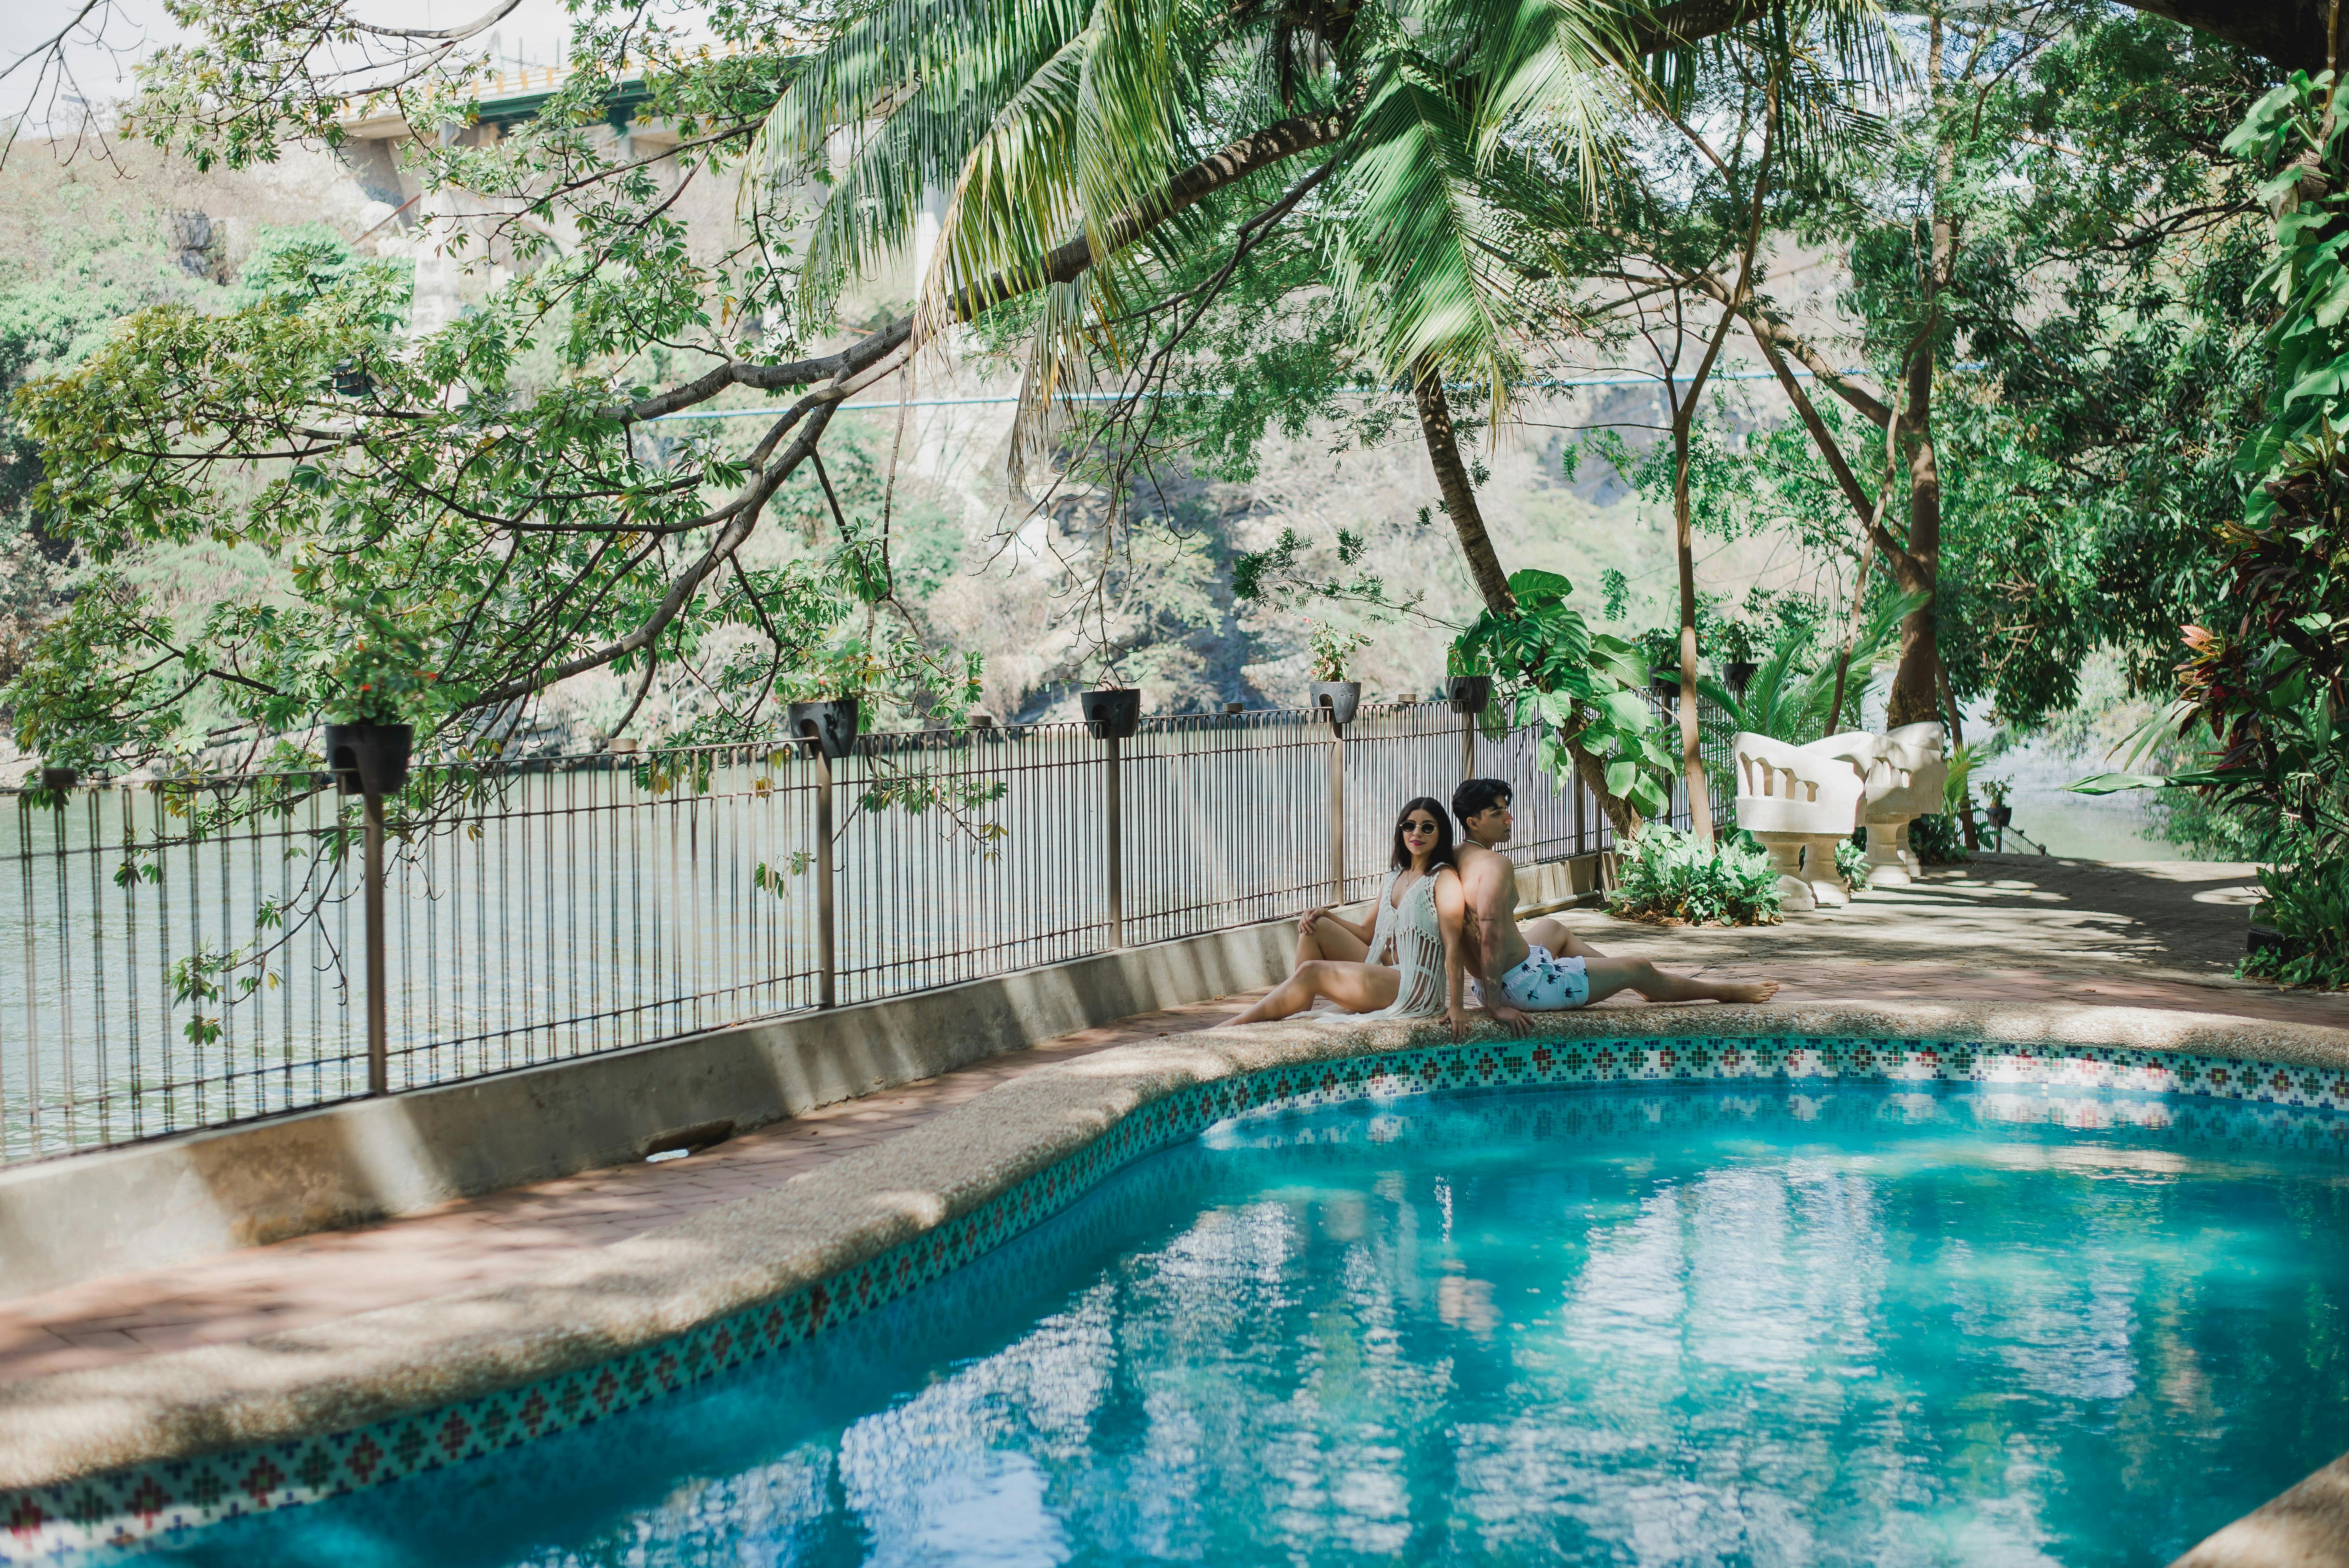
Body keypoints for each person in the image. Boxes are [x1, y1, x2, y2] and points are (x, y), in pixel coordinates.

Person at [1443, 777, 1779, 1039]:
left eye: (1506, 808)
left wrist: (1482, 997)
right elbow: (1488, 936)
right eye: (1497, 813)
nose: (1509, 818)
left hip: (1495, 983)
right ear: (1473, 822)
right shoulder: (1495, 865)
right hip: (1526, 986)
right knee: (1639, 965)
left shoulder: (1455, 856)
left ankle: (1630, 981)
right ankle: (1718, 991)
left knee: (1555, 930)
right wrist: (1497, 1007)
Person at [1220, 797, 1462, 1025]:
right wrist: (1327, 915)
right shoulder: (1395, 877)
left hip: (1415, 987)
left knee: (1311, 971)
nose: (1417, 833)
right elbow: (1368, 933)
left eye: (1427, 828)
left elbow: (1453, 945)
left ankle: (1233, 1025)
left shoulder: (1443, 878)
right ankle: (1299, 1007)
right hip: (1386, 972)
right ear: (1402, 831)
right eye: (1409, 826)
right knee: (1314, 927)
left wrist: (1457, 1007)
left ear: (1441, 834)